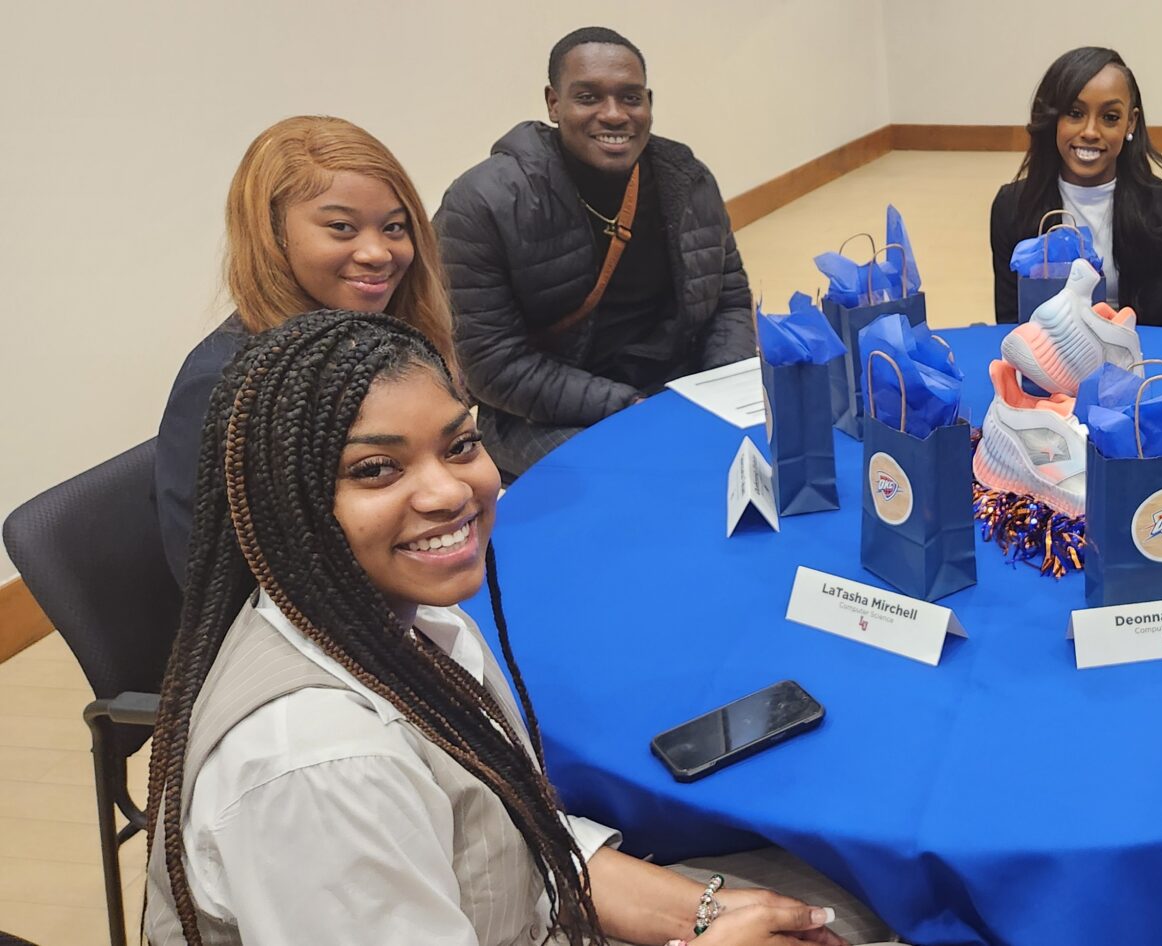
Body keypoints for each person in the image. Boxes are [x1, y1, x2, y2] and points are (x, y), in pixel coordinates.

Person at [143, 312, 898, 945]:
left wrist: (710, 914)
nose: (449, 491)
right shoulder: (318, 766)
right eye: (377, 470)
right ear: (286, 505)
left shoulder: (417, 620)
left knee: (848, 908)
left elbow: (519, 846)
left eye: (459, 445)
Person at [436, 26, 755, 479]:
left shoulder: (685, 179)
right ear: (553, 104)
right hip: (546, 409)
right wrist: (628, 407)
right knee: (636, 482)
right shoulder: (483, 202)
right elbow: (493, 363)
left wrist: (724, 387)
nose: (614, 115)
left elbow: (728, 297)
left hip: (676, 386)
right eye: (588, 97)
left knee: (754, 458)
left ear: (649, 102)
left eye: (630, 97)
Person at [155, 115, 456, 589]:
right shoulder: (223, 384)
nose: (378, 252)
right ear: (273, 234)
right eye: (341, 227)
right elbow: (222, 581)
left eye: (395, 227)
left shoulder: (383, 342)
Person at [989, 46, 1162, 327]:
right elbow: (1012, 323)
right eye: (1074, 113)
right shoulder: (1013, 208)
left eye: (1110, 117)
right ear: (1053, 120)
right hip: (1044, 364)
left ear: (1130, 123)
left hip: (1136, 362)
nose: (1090, 131)